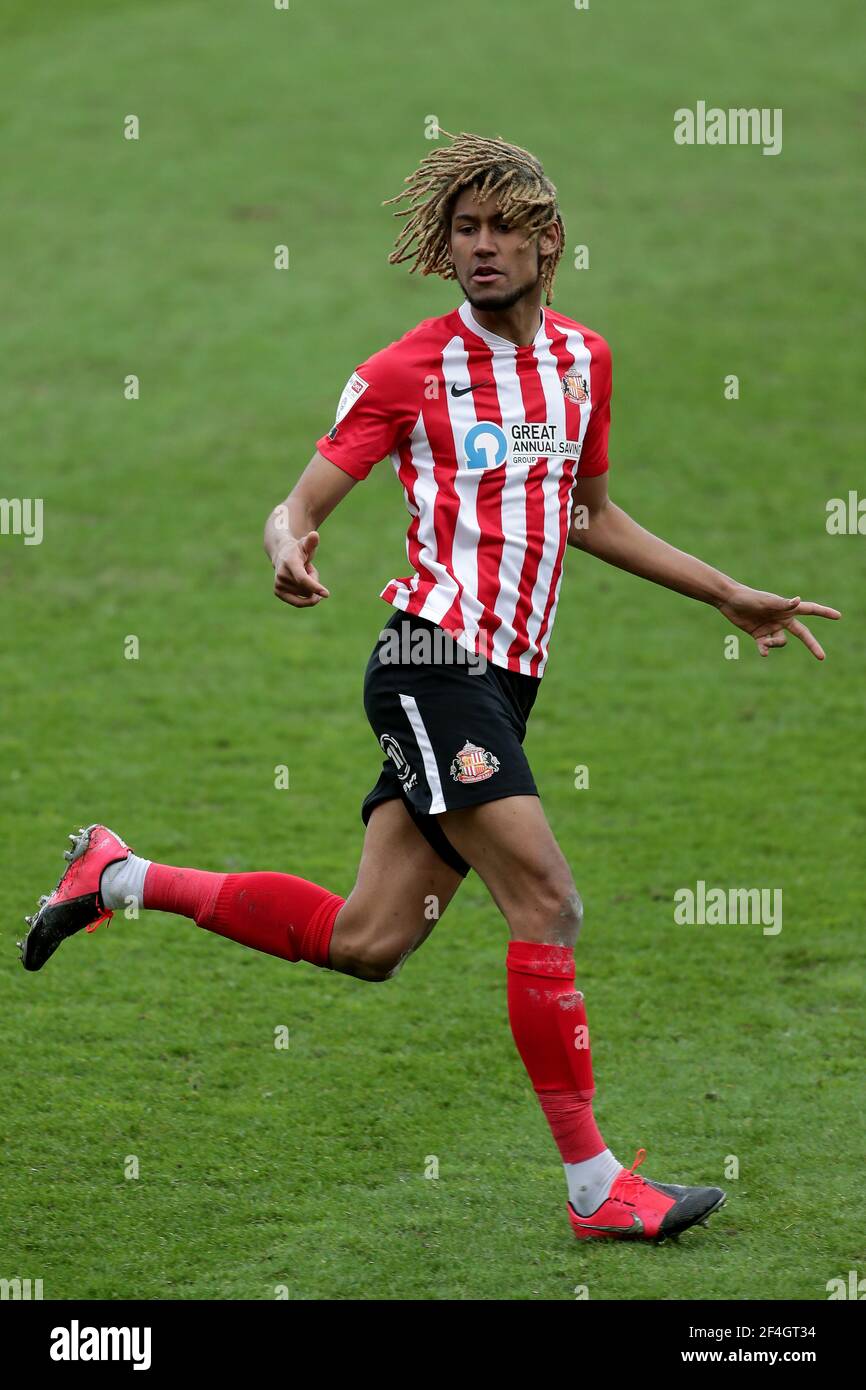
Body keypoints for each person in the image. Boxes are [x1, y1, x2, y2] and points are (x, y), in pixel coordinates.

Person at [19, 133, 840, 1244]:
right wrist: (288, 541)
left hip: (505, 683)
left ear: (551, 243)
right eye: (465, 230)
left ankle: (119, 876)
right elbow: (300, 498)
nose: (483, 248)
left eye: (504, 229)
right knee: (546, 898)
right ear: (445, 247)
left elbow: (587, 512)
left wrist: (723, 593)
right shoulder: (412, 368)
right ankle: (596, 1186)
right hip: (428, 661)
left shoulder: (582, 362)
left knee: (370, 941)